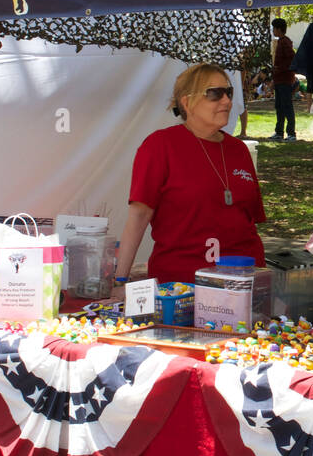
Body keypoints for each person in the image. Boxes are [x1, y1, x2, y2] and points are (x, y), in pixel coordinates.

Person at [114, 63, 266, 289]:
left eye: (228, 92)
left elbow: (249, 221)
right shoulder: (160, 146)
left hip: (243, 284)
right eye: (215, 94)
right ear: (187, 102)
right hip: (181, 288)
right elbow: (138, 218)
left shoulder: (238, 150)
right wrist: (120, 281)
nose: (226, 101)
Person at [271, 17, 296, 140]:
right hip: (279, 79)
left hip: (285, 79)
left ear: (279, 29)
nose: (273, 30)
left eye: (274, 28)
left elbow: (291, 59)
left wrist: (278, 69)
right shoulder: (281, 41)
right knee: (279, 106)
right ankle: (279, 132)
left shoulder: (285, 42)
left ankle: (291, 133)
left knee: (287, 106)